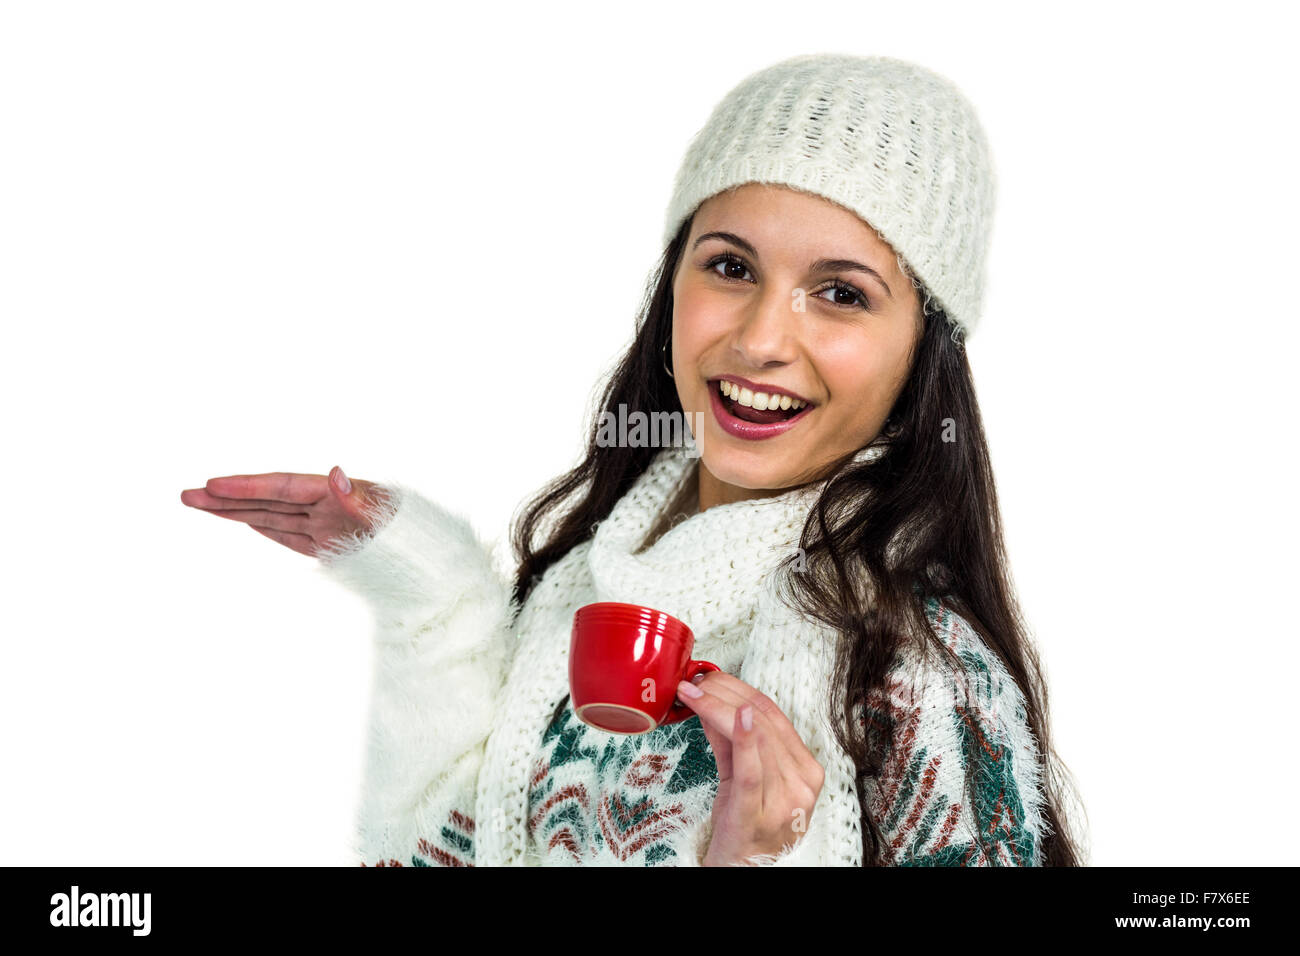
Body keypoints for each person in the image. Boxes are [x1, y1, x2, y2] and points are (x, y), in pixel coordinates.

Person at [180, 53, 1086, 866]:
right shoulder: (583, 590)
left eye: (841, 294)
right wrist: (434, 594)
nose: (764, 338)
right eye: (730, 268)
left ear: (921, 357)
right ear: (671, 289)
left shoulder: (915, 668)